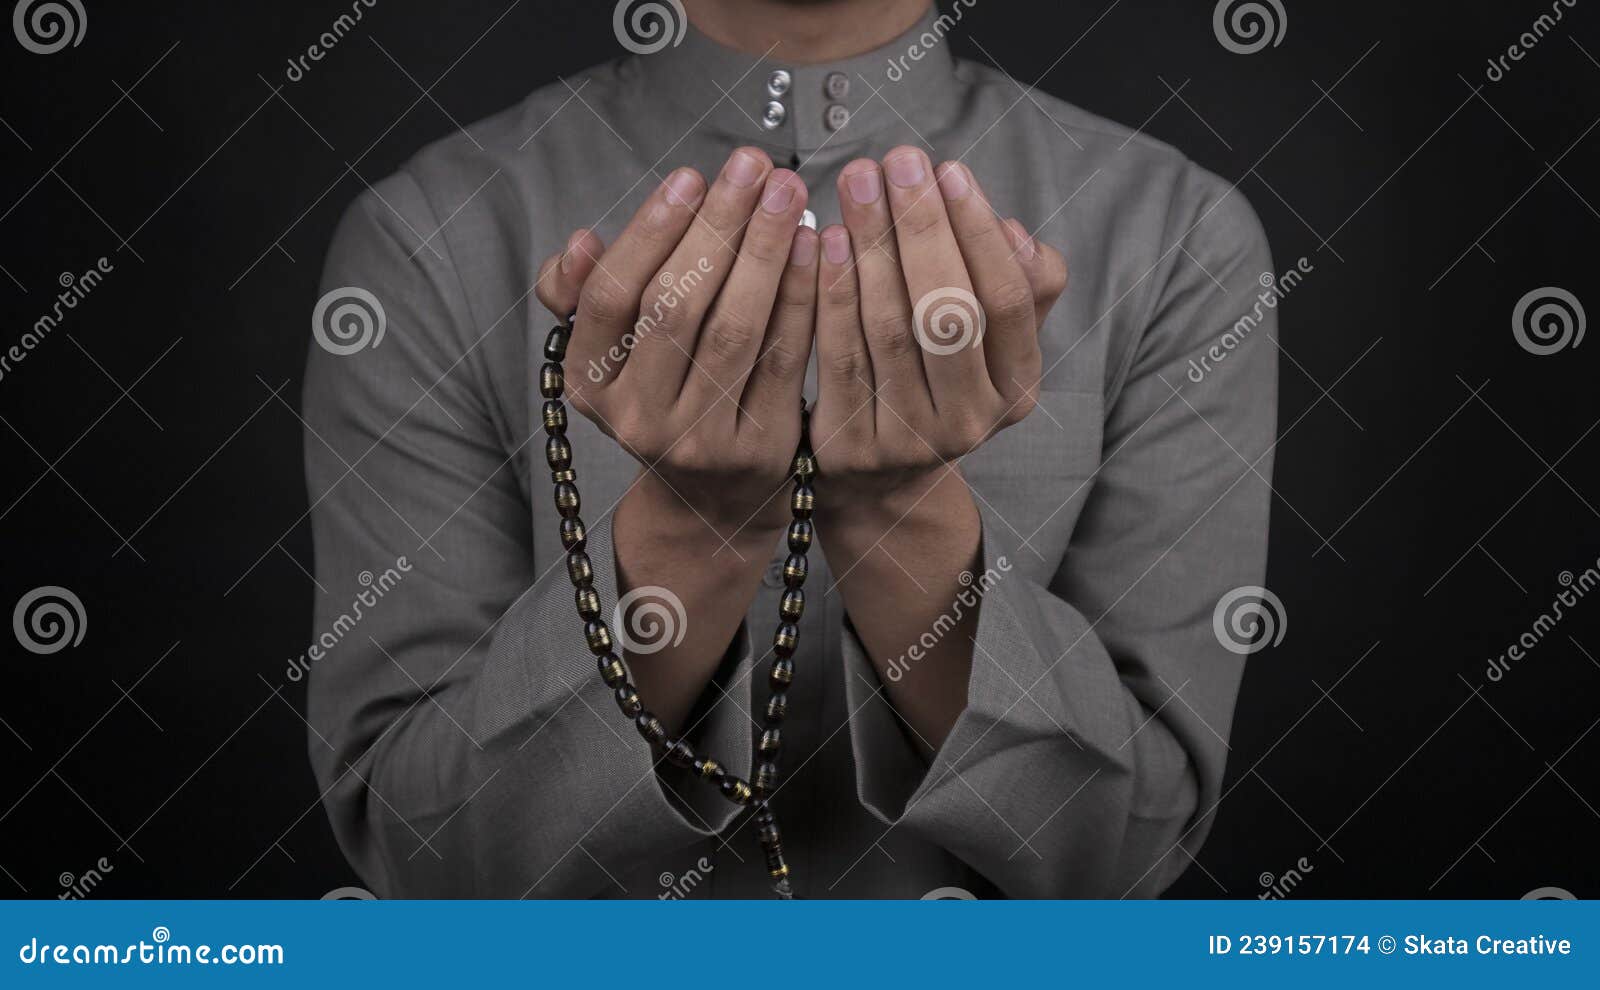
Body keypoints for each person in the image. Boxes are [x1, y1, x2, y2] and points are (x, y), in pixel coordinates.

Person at [303, 0, 1277, 898]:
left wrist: (902, 520)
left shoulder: (1172, 237)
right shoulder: (430, 233)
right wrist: (688, 536)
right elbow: (420, 853)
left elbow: (1128, 847)